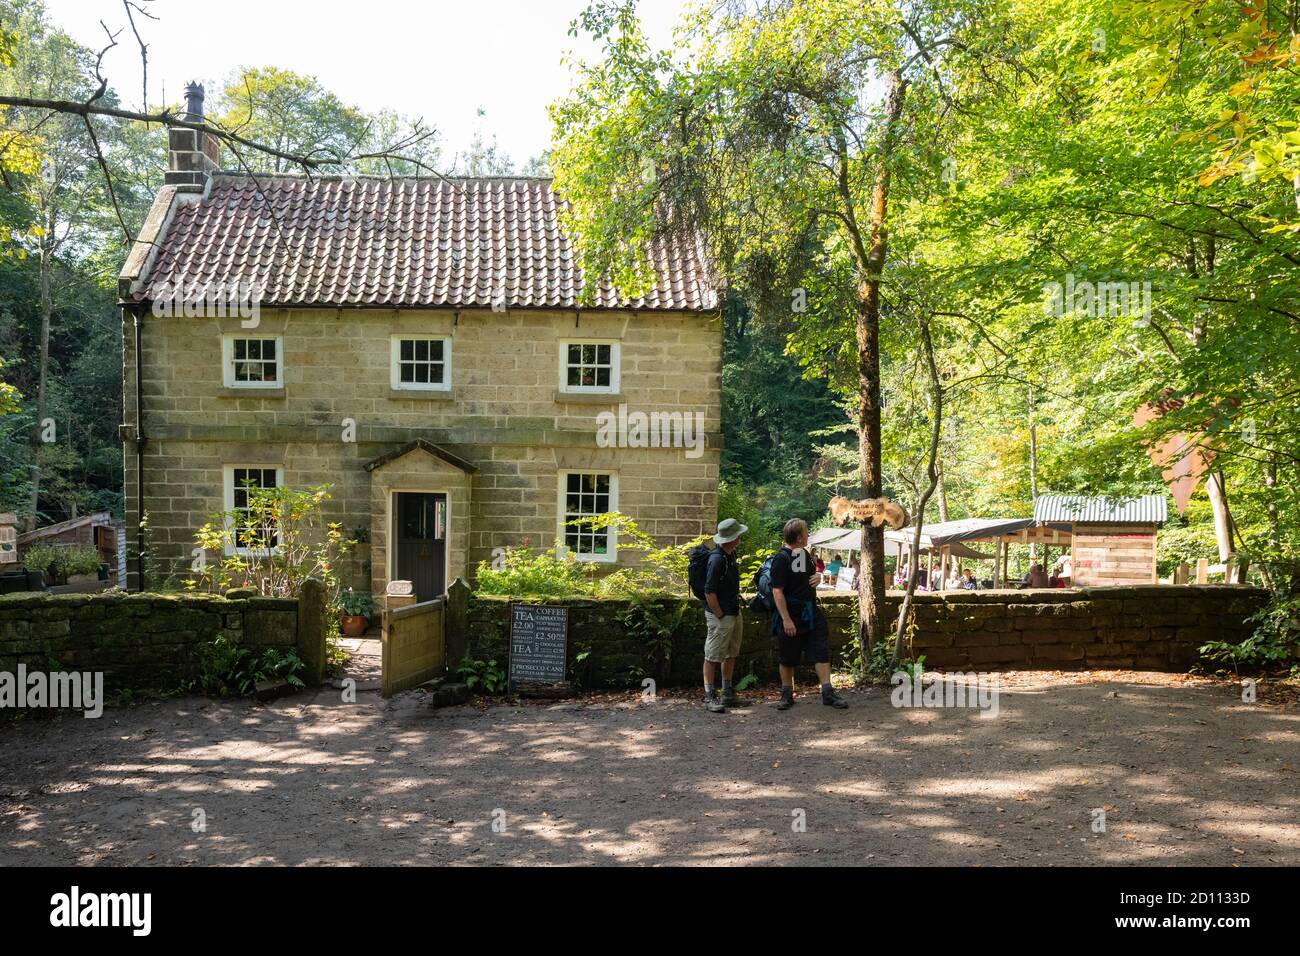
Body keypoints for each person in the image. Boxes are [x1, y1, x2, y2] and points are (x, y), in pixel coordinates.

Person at [771, 518, 848, 711]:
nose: (808, 535)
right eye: (806, 532)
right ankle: (786, 694)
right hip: (791, 616)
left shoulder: (802, 554)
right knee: (787, 656)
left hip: (811, 613)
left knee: (820, 651)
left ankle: (827, 693)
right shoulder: (781, 559)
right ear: (798, 538)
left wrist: (818, 576)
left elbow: (807, 578)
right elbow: (777, 591)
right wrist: (786, 619)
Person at [702, 518, 747, 713]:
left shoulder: (730, 554)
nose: (741, 537)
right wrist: (719, 615)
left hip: (733, 612)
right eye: (739, 534)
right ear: (734, 537)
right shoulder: (717, 559)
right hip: (721, 615)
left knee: (731, 652)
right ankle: (709, 696)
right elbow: (709, 591)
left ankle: (727, 694)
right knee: (712, 655)